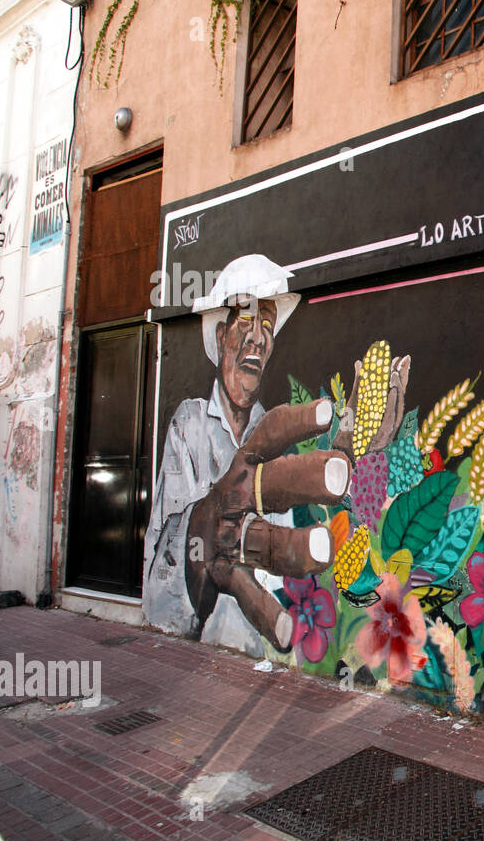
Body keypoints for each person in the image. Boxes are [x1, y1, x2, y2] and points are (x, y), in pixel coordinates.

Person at [143, 255, 350, 657]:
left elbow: (280, 562)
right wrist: (206, 533)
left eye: (267, 325)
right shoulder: (189, 425)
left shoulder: (274, 440)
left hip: (256, 651)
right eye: (245, 321)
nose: (257, 337)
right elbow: (158, 576)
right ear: (221, 336)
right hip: (193, 655)